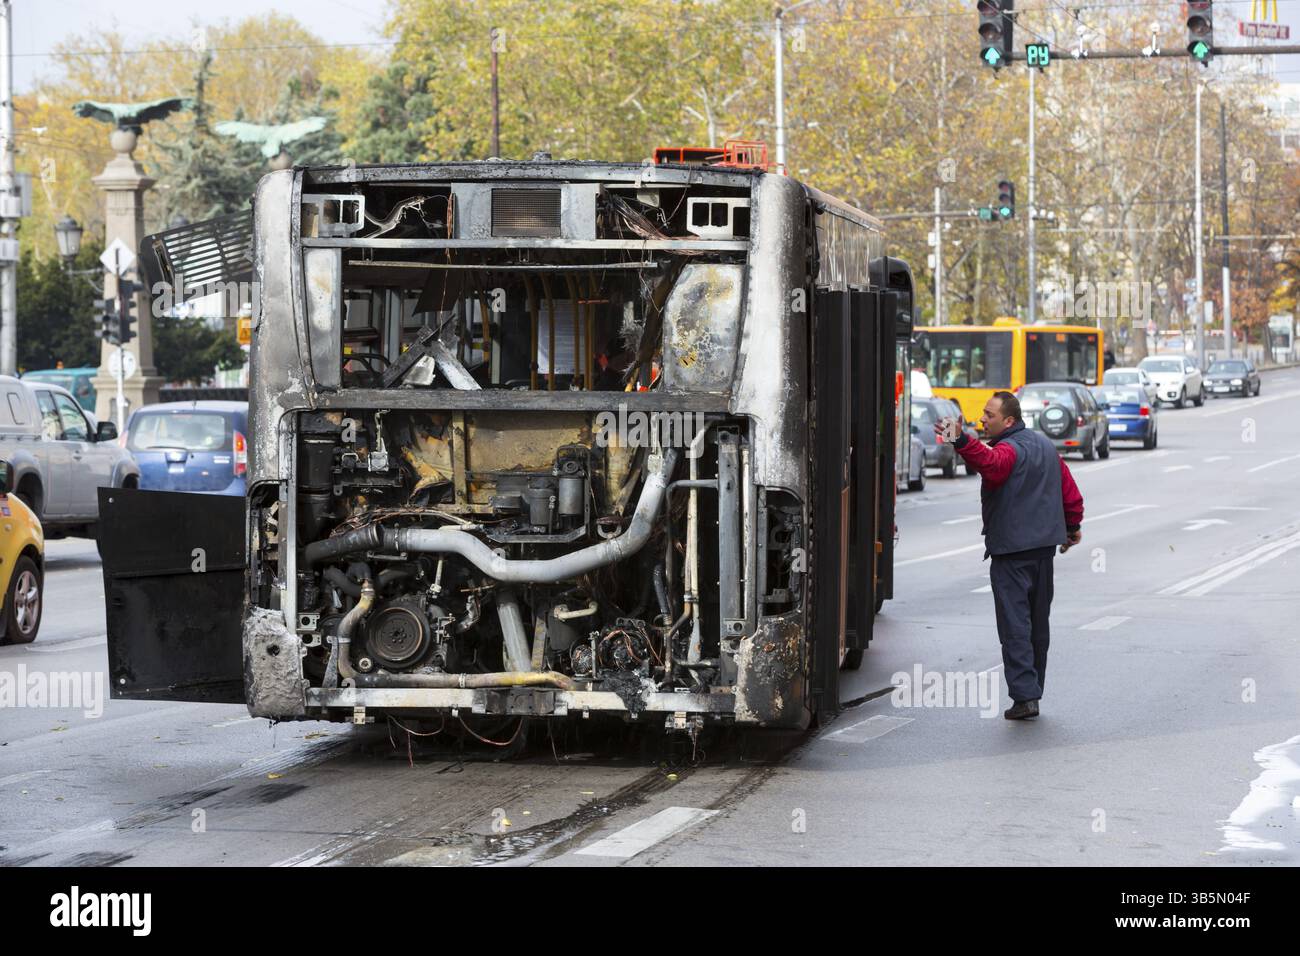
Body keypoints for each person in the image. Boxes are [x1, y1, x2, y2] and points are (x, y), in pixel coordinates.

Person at [936, 391, 1084, 720]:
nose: (982, 418)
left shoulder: (1008, 450)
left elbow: (991, 465)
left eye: (989, 414)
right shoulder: (1046, 447)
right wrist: (1072, 526)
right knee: (1037, 626)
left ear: (1009, 421)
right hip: (1043, 551)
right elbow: (1070, 492)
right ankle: (1033, 690)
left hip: (1012, 553)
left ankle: (1025, 697)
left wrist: (960, 439)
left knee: (1016, 626)